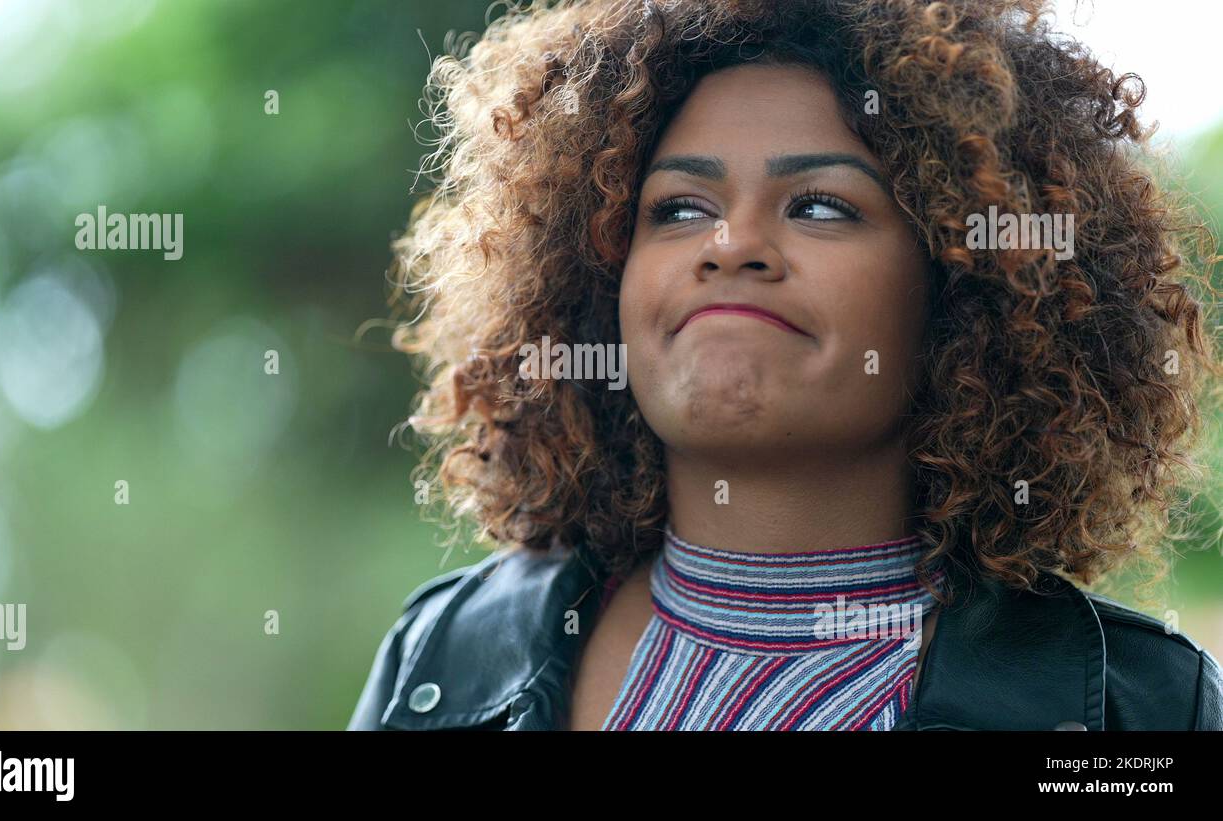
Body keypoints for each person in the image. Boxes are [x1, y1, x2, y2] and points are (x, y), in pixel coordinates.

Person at [348, 0, 1223, 730]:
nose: (732, 247)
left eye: (819, 205)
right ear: (601, 282)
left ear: (963, 287)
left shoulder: (1136, 710)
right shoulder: (447, 656)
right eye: (680, 209)